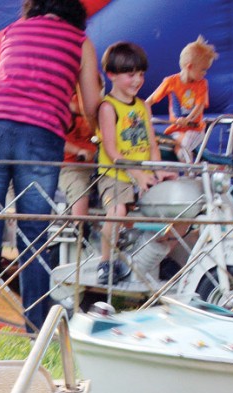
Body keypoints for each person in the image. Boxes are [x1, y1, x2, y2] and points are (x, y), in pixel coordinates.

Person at [0, 0, 99, 345]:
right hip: (39, 134)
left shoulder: (14, 31)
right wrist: (96, 128)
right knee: (33, 234)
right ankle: (37, 331)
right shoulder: (80, 42)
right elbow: (91, 103)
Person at [97, 41, 170, 285]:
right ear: (112, 75)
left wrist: (158, 171)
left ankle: (155, 256)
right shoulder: (108, 107)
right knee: (117, 211)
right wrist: (136, 173)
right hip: (115, 176)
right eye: (131, 75)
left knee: (176, 207)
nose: (138, 80)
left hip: (143, 174)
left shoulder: (143, 106)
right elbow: (111, 150)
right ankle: (105, 262)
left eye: (141, 74)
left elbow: (152, 145)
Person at [146, 36, 217, 162]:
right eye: (203, 70)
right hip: (176, 130)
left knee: (183, 149)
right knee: (167, 148)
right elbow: (150, 101)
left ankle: (192, 171)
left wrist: (188, 119)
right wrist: (142, 113)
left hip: (195, 129)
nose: (204, 73)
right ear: (190, 67)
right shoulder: (170, 82)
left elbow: (199, 106)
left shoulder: (202, 84)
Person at [58, 77, 101, 220]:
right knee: (79, 187)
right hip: (72, 166)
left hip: (99, 165)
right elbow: (56, 139)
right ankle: (80, 227)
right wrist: (78, 151)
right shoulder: (66, 108)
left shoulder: (101, 107)